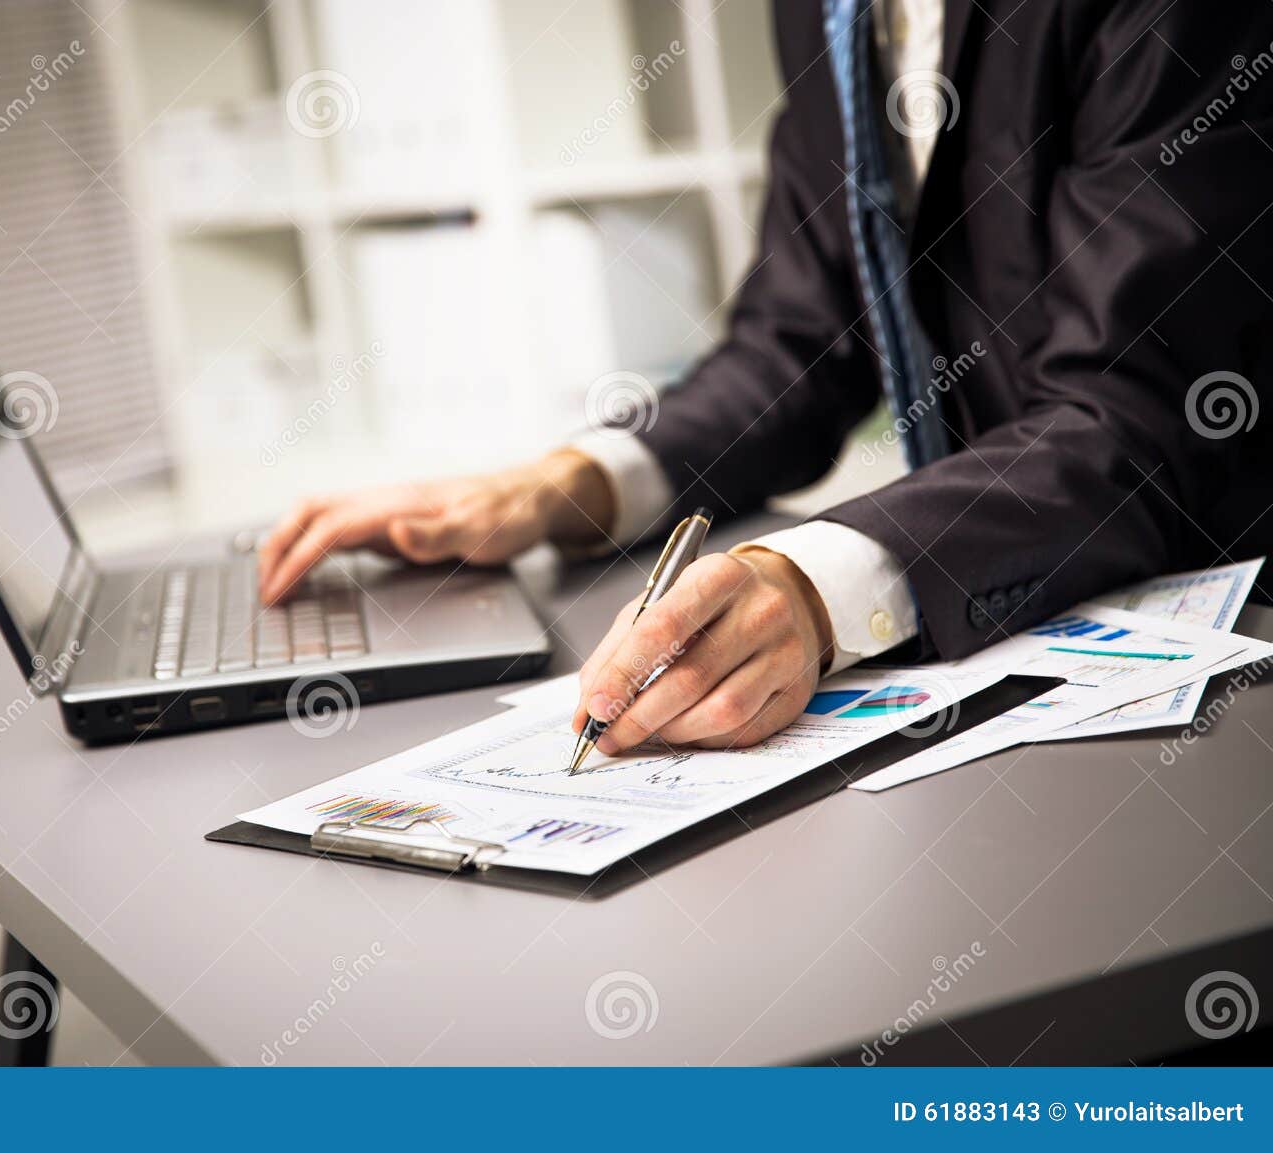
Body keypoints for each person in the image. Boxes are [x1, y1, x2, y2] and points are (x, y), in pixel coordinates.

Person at [259, 0, 1273, 753]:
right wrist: (571, 482)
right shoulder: (825, 11)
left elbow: (1131, 414)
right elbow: (798, 340)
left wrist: (819, 585)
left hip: (1225, 659)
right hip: (1024, 621)